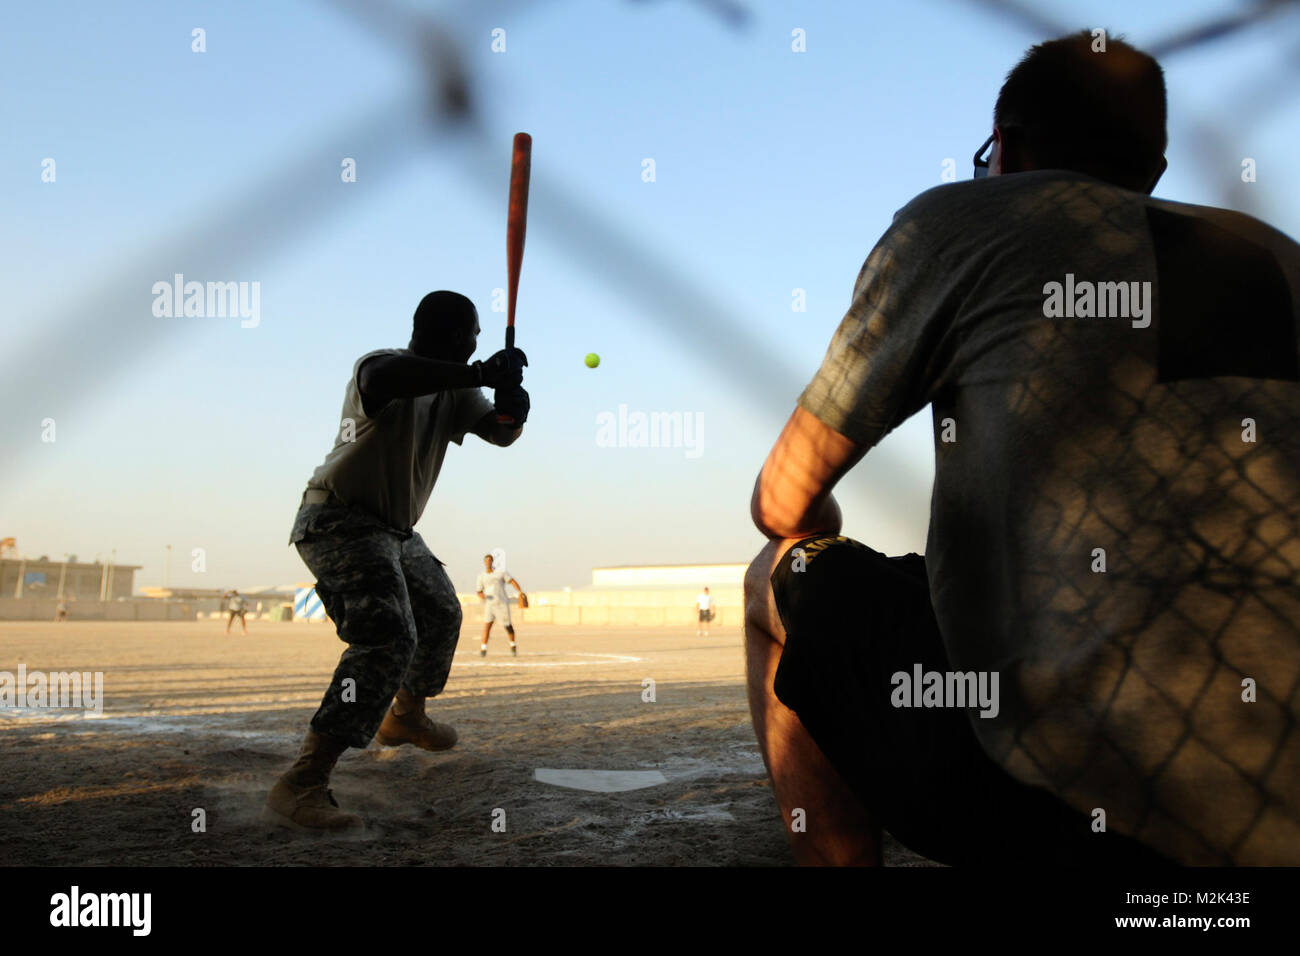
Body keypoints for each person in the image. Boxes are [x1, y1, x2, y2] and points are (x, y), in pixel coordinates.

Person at [745, 32, 1300, 867]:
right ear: (1152, 167)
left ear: (1003, 144)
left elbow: (780, 502)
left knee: (776, 573)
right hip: (1277, 783)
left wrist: (817, 526)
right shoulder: (1274, 253)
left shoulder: (959, 221)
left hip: (1050, 789)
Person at [265, 290, 530, 831]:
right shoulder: (381, 367)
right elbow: (390, 377)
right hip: (338, 518)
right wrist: (480, 370)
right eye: (472, 336)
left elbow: (499, 434)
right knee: (387, 637)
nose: (476, 344)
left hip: (395, 532)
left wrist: (512, 406)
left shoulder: (454, 391)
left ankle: (405, 716)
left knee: (442, 612)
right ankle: (302, 782)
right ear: (456, 337)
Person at [475, 554, 526, 656]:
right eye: (487, 561)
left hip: (502, 603)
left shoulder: (500, 573)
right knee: (487, 625)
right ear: (484, 563)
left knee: (507, 626)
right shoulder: (481, 576)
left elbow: (512, 581)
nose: (488, 562)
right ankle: (483, 648)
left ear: (492, 562)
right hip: (490, 604)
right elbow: (479, 591)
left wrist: (520, 592)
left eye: (490, 560)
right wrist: (483, 596)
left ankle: (513, 645)